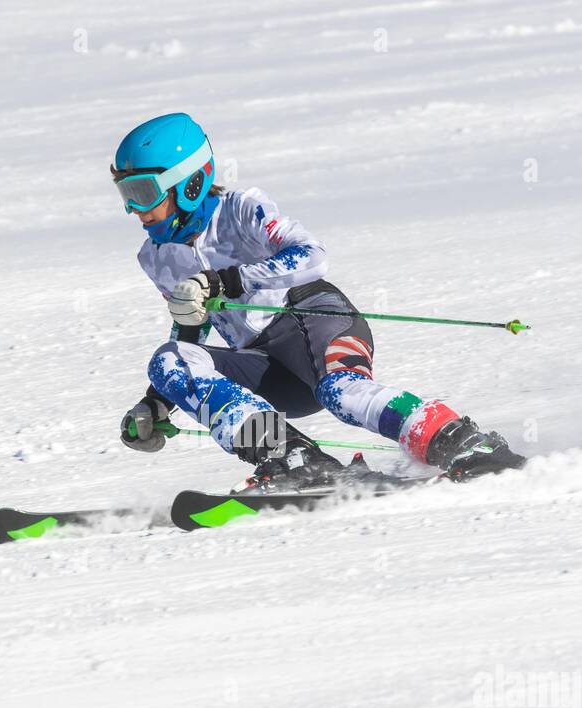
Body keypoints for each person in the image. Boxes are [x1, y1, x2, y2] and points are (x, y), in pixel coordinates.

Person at [112, 112, 524, 488]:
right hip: (267, 365)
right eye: (125, 193)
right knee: (169, 359)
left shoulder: (241, 210)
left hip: (315, 321)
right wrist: (157, 401)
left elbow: (311, 254)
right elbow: (192, 327)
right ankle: (293, 457)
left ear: (190, 183)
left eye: (144, 192)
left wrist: (228, 280)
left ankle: (460, 441)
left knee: (341, 392)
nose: (134, 209)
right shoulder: (156, 257)